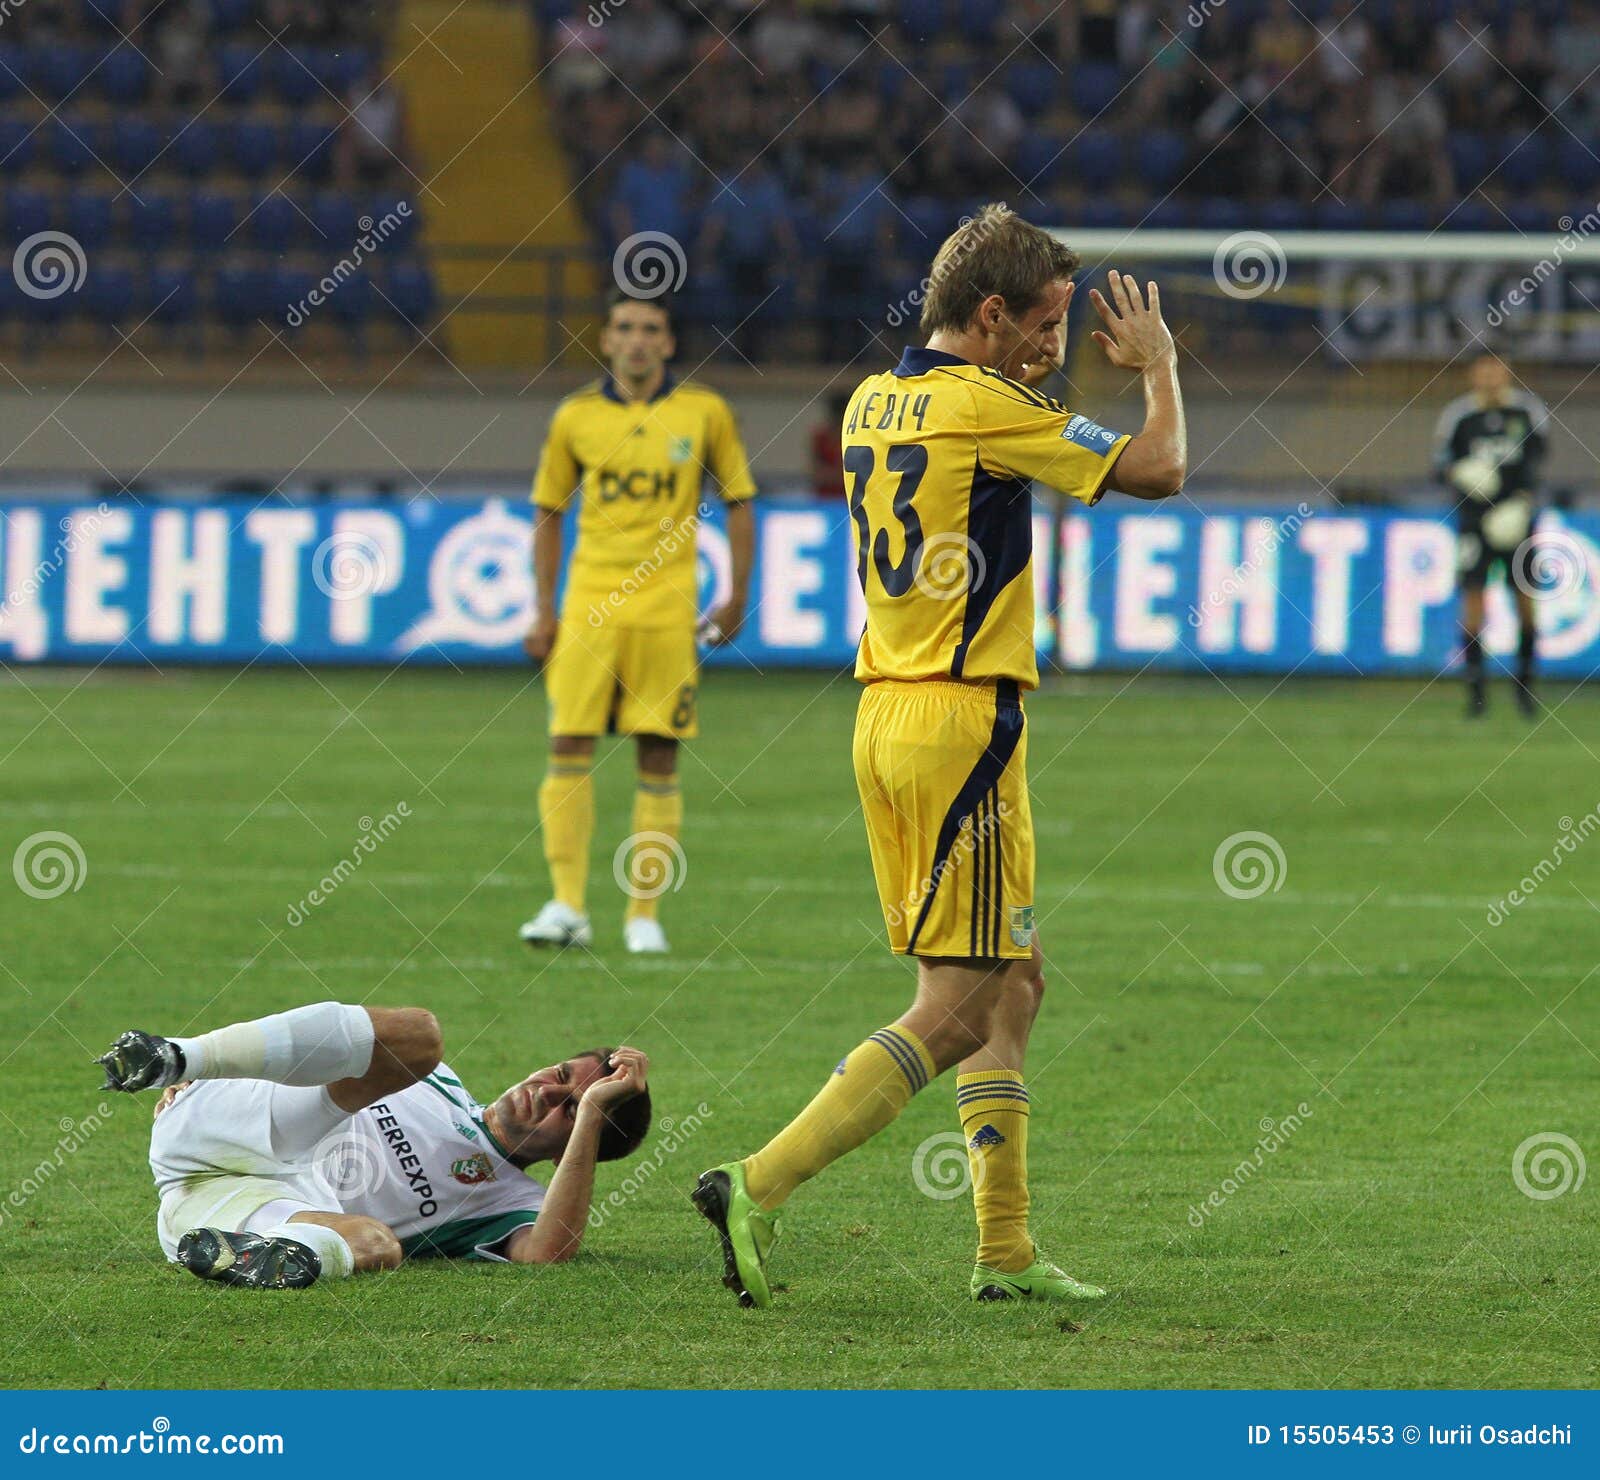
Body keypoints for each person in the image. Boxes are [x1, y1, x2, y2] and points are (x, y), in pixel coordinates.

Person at [691, 205, 1186, 1308]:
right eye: (1047, 323)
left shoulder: (876, 397)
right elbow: (1159, 470)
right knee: (959, 1005)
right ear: (991, 314)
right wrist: (1157, 370)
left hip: (887, 714)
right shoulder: (985, 403)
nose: (1056, 349)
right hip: (963, 723)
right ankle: (756, 1182)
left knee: (1014, 980)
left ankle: (1002, 1249)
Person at [96, 1001, 651, 1289]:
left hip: (237, 1211)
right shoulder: (437, 1080)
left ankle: (267, 1259)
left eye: (571, 1109)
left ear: (572, 1145)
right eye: (559, 1074)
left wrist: (596, 1114)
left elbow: (548, 1253)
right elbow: (306, 1050)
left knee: (378, 1244)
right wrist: (205, 1071)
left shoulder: (510, 1203)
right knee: (421, 1037)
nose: (546, 1092)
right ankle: (176, 1055)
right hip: (240, 1126)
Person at [520, 291, 755, 954]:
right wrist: (543, 607)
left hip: (665, 611)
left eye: (651, 329)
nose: (638, 340)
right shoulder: (576, 417)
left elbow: (739, 500)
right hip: (589, 608)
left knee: (659, 754)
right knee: (568, 744)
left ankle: (642, 914)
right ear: (607, 341)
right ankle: (567, 907)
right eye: (625, 328)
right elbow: (548, 511)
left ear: (670, 343)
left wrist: (737, 596)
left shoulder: (704, 412)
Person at [1433, 353, 1548, 717]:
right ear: (1473, 375)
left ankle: (1524, 691)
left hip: (1517, 519)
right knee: (1473, 607)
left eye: (1496, 368)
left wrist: (1522, 503)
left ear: (1507, 371)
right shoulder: (1458, 417)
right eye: (1483, 369)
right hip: (1474, 521)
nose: (1490, 376)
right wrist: (1460, 473)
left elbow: (1537, 463)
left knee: (1526, 607)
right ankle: (1476, 695)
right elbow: (1439, 467)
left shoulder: (1527, 413)